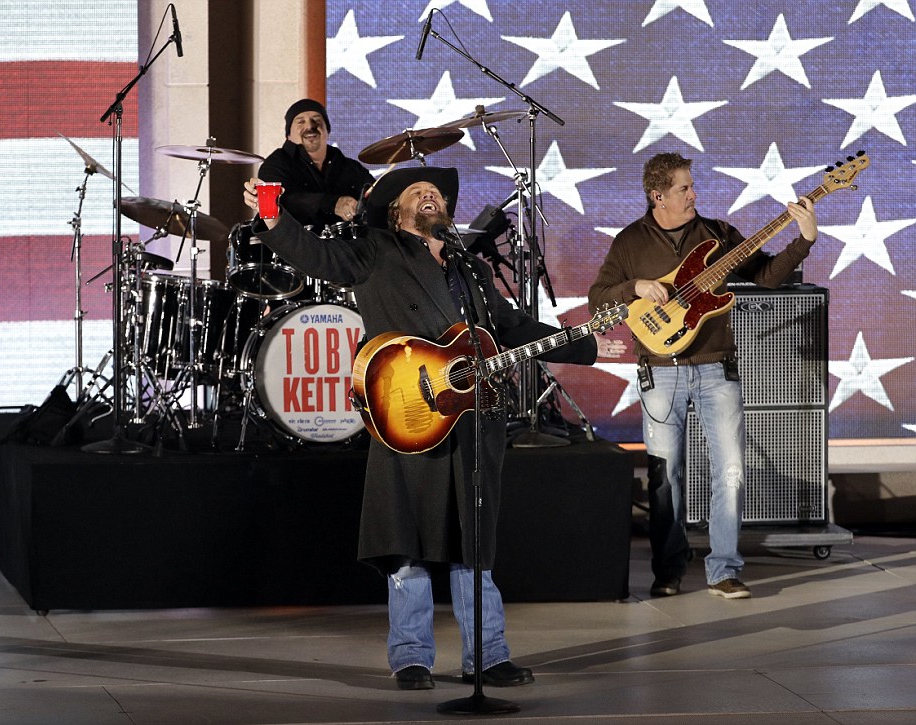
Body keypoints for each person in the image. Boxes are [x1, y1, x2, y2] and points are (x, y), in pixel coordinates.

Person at [243, 166, 598, 690]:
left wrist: (587, 342)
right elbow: (319, 256)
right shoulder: (376, 250)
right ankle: (411, 656)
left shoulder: (470, 268)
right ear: (396, 211)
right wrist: (273, 217)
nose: (431, 196)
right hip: (406, 411)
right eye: (418, 193)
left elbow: (512, 328)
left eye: (436, 193)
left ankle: (488, 655)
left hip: (471, 417)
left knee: (471, 542)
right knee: (406, 539)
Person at [587, 152, 818, 600]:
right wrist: (633, 287)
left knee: (730, 470)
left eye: (692, 186)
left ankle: (724, 570)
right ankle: (668, 570)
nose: (694, 194)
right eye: (684, 188)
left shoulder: (717, 234)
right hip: (660, 372)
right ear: (658, 196)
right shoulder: (630, 241)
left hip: (716, 368)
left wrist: (803, 239)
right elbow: (599, 300)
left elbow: (767, 275)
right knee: (665, 475)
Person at [257, 98, 375, 230]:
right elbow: (281, 202)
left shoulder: (350, 167)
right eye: (301, 122)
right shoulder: (275, 164)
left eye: (317, 120)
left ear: (327, 130)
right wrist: (333, 204)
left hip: (346, 248)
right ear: (288, 135)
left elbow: (374, 195)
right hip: (295, 246)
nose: (310, 126)